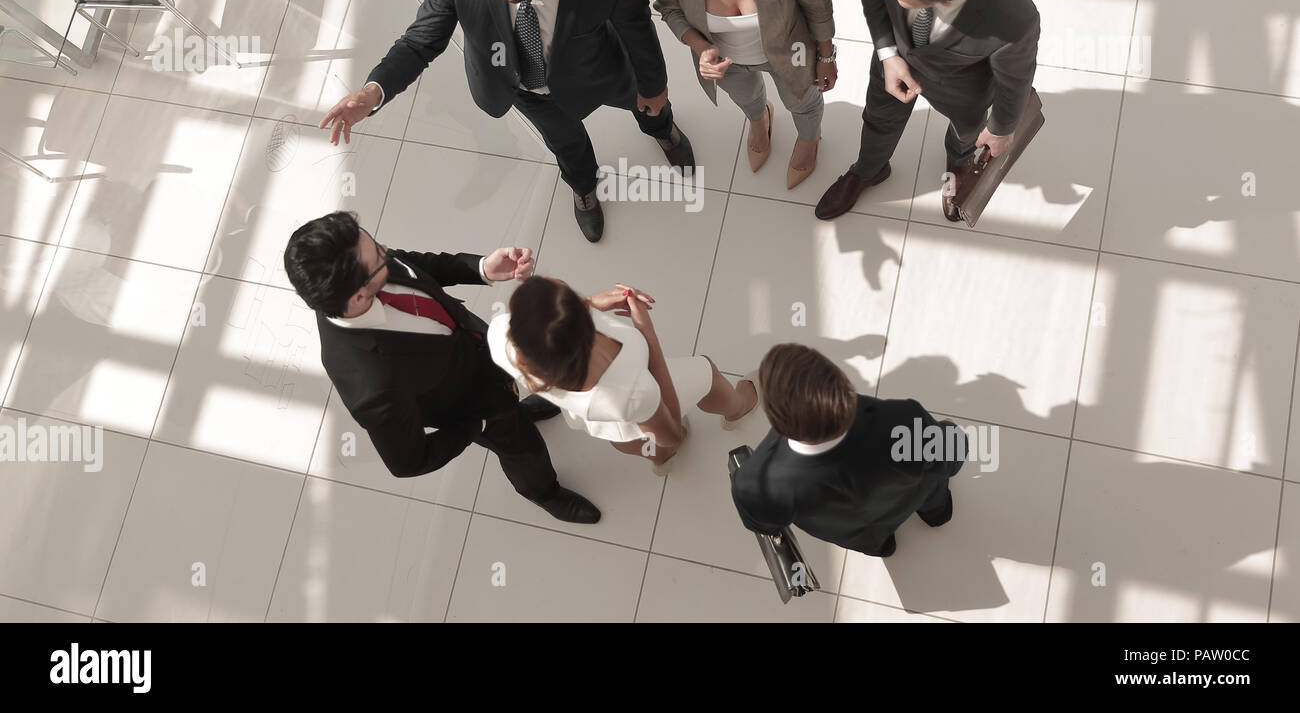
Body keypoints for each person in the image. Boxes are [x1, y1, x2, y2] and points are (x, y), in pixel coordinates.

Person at [317, 0, 694, 243]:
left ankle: (663, 132)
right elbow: (421, 41)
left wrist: (655, 86)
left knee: (648, 105)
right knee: (564, 143)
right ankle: (584, 187)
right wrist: (373, 91)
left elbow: (638, 31)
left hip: (599, 68)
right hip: (525, 87)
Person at [283, 211, 600, 524]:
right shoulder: (370, 385)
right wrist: (476, 427)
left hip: (479, 345)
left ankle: (518, 406)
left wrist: (480, 269)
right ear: (358, 297)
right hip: (472, 405)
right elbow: (407, 462)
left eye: (377, 243)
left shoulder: (365, 265)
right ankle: (544, 492)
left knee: (514, 391)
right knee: (523, 447)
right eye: (379, 255)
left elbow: (413, 266)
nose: (386, 252)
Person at [816, 0, 1040, 221]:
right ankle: (870, 170)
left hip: (961, 84)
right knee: (879, 117)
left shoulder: (1014, 17)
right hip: (893, 59)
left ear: (943, 1)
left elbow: (1015, 80)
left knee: (967, 132)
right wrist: (887, 52)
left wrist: (1002, 129)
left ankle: (958, 163)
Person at [652, 0, 837, 189]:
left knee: (803, 105)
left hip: (790, 53)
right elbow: (669, 8)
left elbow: (817, 7)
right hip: (727, 61)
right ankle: (759, 118)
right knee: (746, 98)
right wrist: (701, 47)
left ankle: (809, 139)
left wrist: (826, 57)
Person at [487, 276, 758, 475]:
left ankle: (662, 460)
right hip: (646, 395)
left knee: (629, 439)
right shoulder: (631, 392)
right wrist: (647, 331)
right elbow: (670, 429)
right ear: (583, 332)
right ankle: (738, 409)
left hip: (602, 420)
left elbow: (547, 333)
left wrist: (591, 303)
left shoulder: (501, 337)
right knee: (706, 372)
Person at [729, 344, 966, 558]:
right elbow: (951, 456)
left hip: (855, 531)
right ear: (844, 386)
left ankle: (885, 548)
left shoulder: (754, 482)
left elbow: (763, 523)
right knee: (932, 491)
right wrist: (948, 430)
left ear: (777, 421)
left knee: (874, 542)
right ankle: (937, 515)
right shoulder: (902, 422)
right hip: (910, 494)